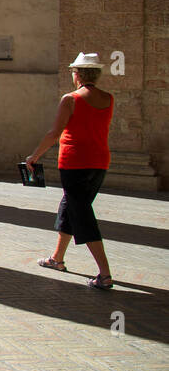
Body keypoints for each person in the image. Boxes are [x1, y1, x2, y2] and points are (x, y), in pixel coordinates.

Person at [26, 52, 115, 290]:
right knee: (71, 206)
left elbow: (54, 133)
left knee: (82, 214)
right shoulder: (108, 98)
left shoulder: (71, 99)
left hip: (75, 163)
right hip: (99, 162)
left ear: (77, 75)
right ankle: (57, 259)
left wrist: (34, 156)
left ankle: (104, 274)